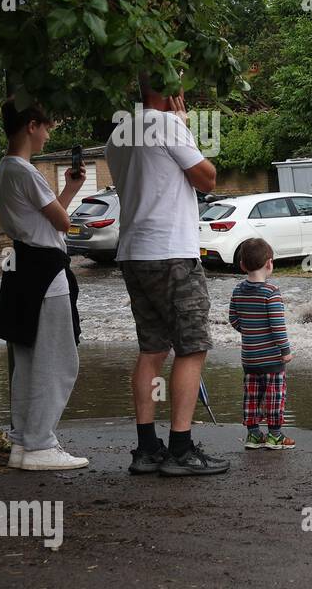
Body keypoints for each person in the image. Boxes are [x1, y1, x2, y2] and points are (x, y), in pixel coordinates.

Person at [105, 75, 229, 477]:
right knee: (192, 348)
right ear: (168, 92)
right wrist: (187, 126)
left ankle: (146, 449)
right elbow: (207, 178)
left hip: (133, 253)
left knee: (152, 349)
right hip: (172, 252)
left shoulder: (119, 132)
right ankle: (180, 448)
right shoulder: (169, 124)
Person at [0, 97, 88, 470]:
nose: (48, 135)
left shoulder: (3, 171)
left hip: (21, 267)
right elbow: (63, 224)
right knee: (58, 361)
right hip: (46, 272)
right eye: (46, 127)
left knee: (29, 361)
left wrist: (68, 191)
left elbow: (46, 219)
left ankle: (24, 442)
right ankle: (40, 444)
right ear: (31, 125)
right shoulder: (25, 171)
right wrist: (66, 199)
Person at [228, 238, 295, 451]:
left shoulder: (238, 291)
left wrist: (250, 332)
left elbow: (233, 319)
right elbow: (277, 325)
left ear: (242, 265)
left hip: (249, 358)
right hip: (271, 359)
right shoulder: (271, 292)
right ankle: (275, 436)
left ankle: (254, 435)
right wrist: (285, 350)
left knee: (252, 396)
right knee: (275, 396)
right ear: (269, 264)